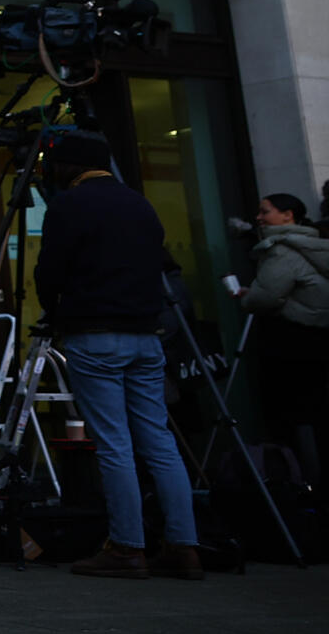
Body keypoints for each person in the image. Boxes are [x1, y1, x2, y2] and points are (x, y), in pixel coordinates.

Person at [33, 130, 205, 580]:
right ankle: (184, 545)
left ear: (68, 167)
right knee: (159, 441)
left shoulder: (69, 205)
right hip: (146, 336)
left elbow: (50, 270)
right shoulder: (138, 203)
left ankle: (127, 547)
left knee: (113, 444)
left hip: (94, 334)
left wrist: (54, 311)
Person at [235, 193, 329, 482]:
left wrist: (247, 298)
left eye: (266, 211)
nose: (259, 217)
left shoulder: (281, 250)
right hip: (318, 341)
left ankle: (300, 482)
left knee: (290, 418)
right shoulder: (313, 244)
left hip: (290, 346)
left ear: (288, 215)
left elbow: (265, 297)